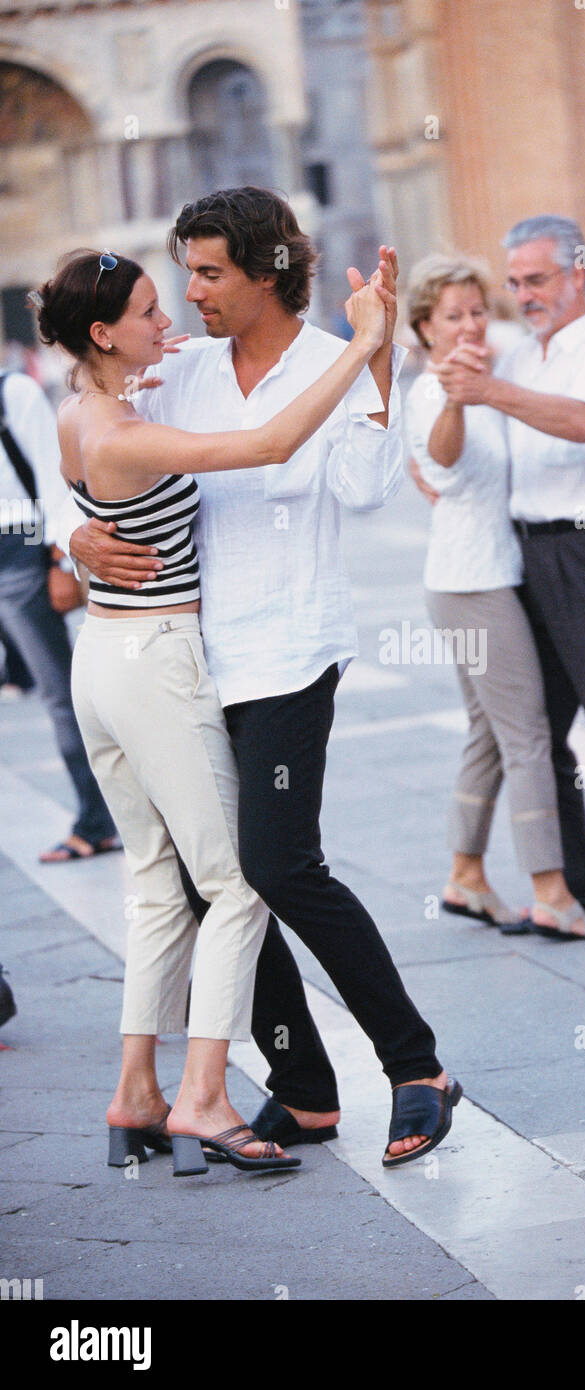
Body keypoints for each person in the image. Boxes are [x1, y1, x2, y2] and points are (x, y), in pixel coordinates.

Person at [55, 188, 461, 1168]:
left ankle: (417, 1066)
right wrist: (72, 538)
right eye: (183, 274)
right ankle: (305, 1088)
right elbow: (83, 439)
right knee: (210, 883)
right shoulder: (179, 369)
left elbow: (364, 488)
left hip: (286, 653)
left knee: (279, 868)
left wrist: (377, 353)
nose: (190, 293)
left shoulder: (333, 361)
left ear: (266, 271)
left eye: (208, 273)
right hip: (188, 663)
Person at [431, 215, 585, 944]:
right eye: (513, 283)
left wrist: (490, 393)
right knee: (541, 733)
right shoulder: (517, 359)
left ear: (578, 272)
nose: (522, 295)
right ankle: (575, 890)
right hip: (526, 557)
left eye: (536, 280)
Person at [405, 252, 585, 941]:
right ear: (426, 328)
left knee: (488, 735)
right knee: (528, 737)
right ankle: (550, 890)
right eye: (452, 315)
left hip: (473, 578)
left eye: (476, 310)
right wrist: (456, 401)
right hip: (473, 586)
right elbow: (445, 455)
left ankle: (465, 876)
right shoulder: (436, 394)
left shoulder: (488, 369)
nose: (469, 324)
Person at [0, 366, 120, 860]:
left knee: (58, 690)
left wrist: (56, 557)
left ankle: (98, 820)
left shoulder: (14, 391)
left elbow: (55, 479)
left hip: (21, 549)